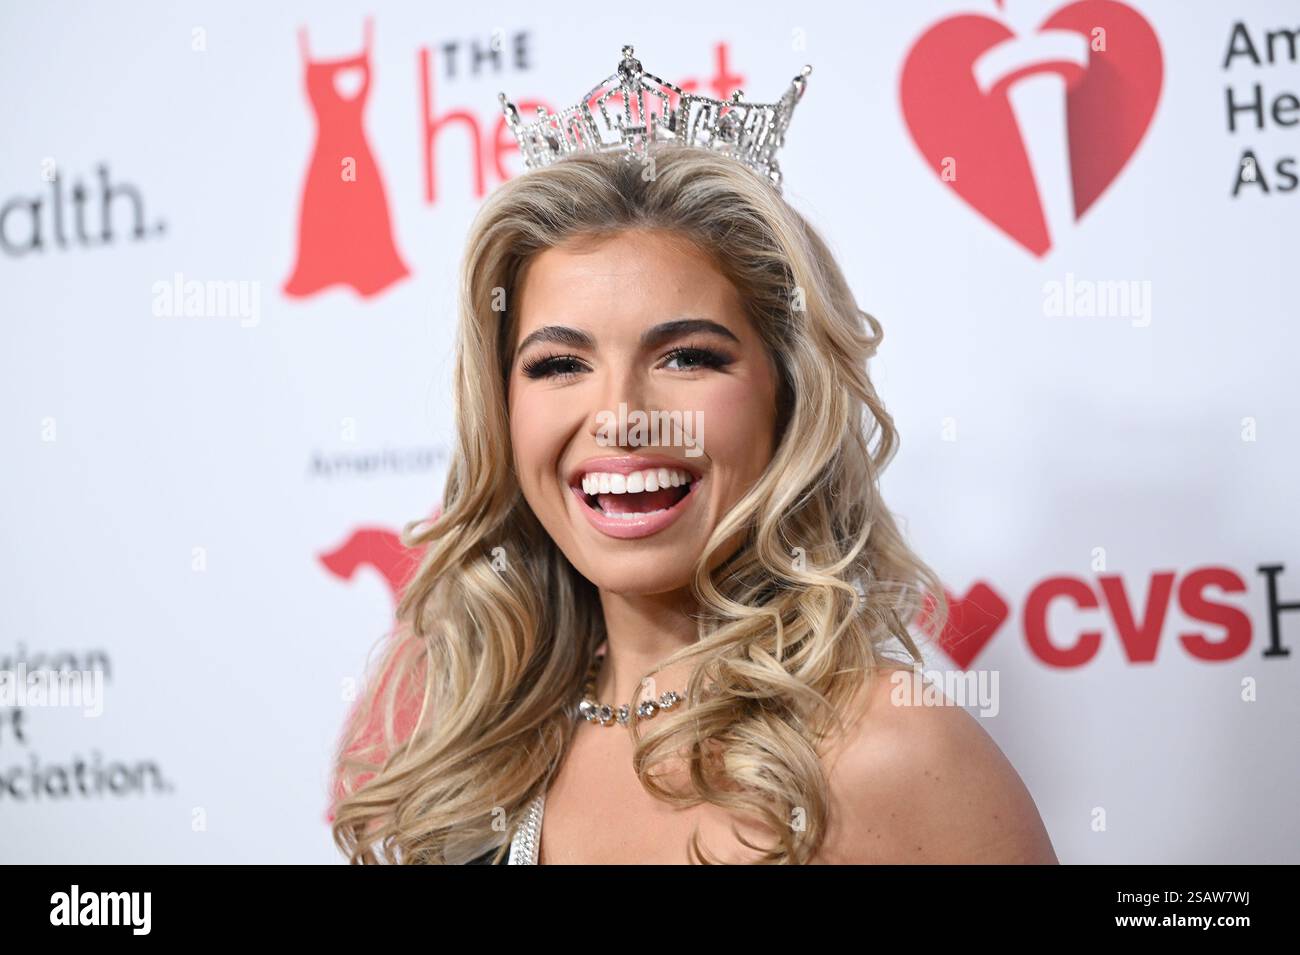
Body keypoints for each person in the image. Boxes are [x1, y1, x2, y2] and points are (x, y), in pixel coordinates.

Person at [328, 91, 1057, 866]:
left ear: (789, 393)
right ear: (502, 412)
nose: (621, 418)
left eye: (687, 357)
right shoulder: (470, 750)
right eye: (560, 364)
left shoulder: (893, 750)